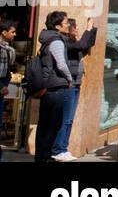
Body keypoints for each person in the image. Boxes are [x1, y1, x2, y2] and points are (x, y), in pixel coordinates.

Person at [51, 16, 98, 161]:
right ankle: (59, 149)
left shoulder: (74, 43)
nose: (77, 29)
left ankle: (62, 148)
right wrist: (88, 28)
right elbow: (83, 44)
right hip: (68, 85)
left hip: (76, 84)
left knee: (69, 119)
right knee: (65, 119)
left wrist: (93, 28)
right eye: (75, 27)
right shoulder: (65, 43)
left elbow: (88, 43)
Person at [33, 10, 75, 163]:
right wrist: (69, 78)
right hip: (55, 87)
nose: (68, 25)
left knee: (45, 125)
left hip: (50, 86)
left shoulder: (48, 39)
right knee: (52, 125)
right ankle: (44, 157)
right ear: (57, 26)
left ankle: (41, 157)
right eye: (65, 23)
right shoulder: (56, 41)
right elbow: (61, 64)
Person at [0, 19, 15, 162]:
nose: (14, 34)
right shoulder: (6, 50)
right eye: (12, 32)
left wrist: (4, 84)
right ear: (4, 33)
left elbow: (7, 72)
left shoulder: (9, 50)